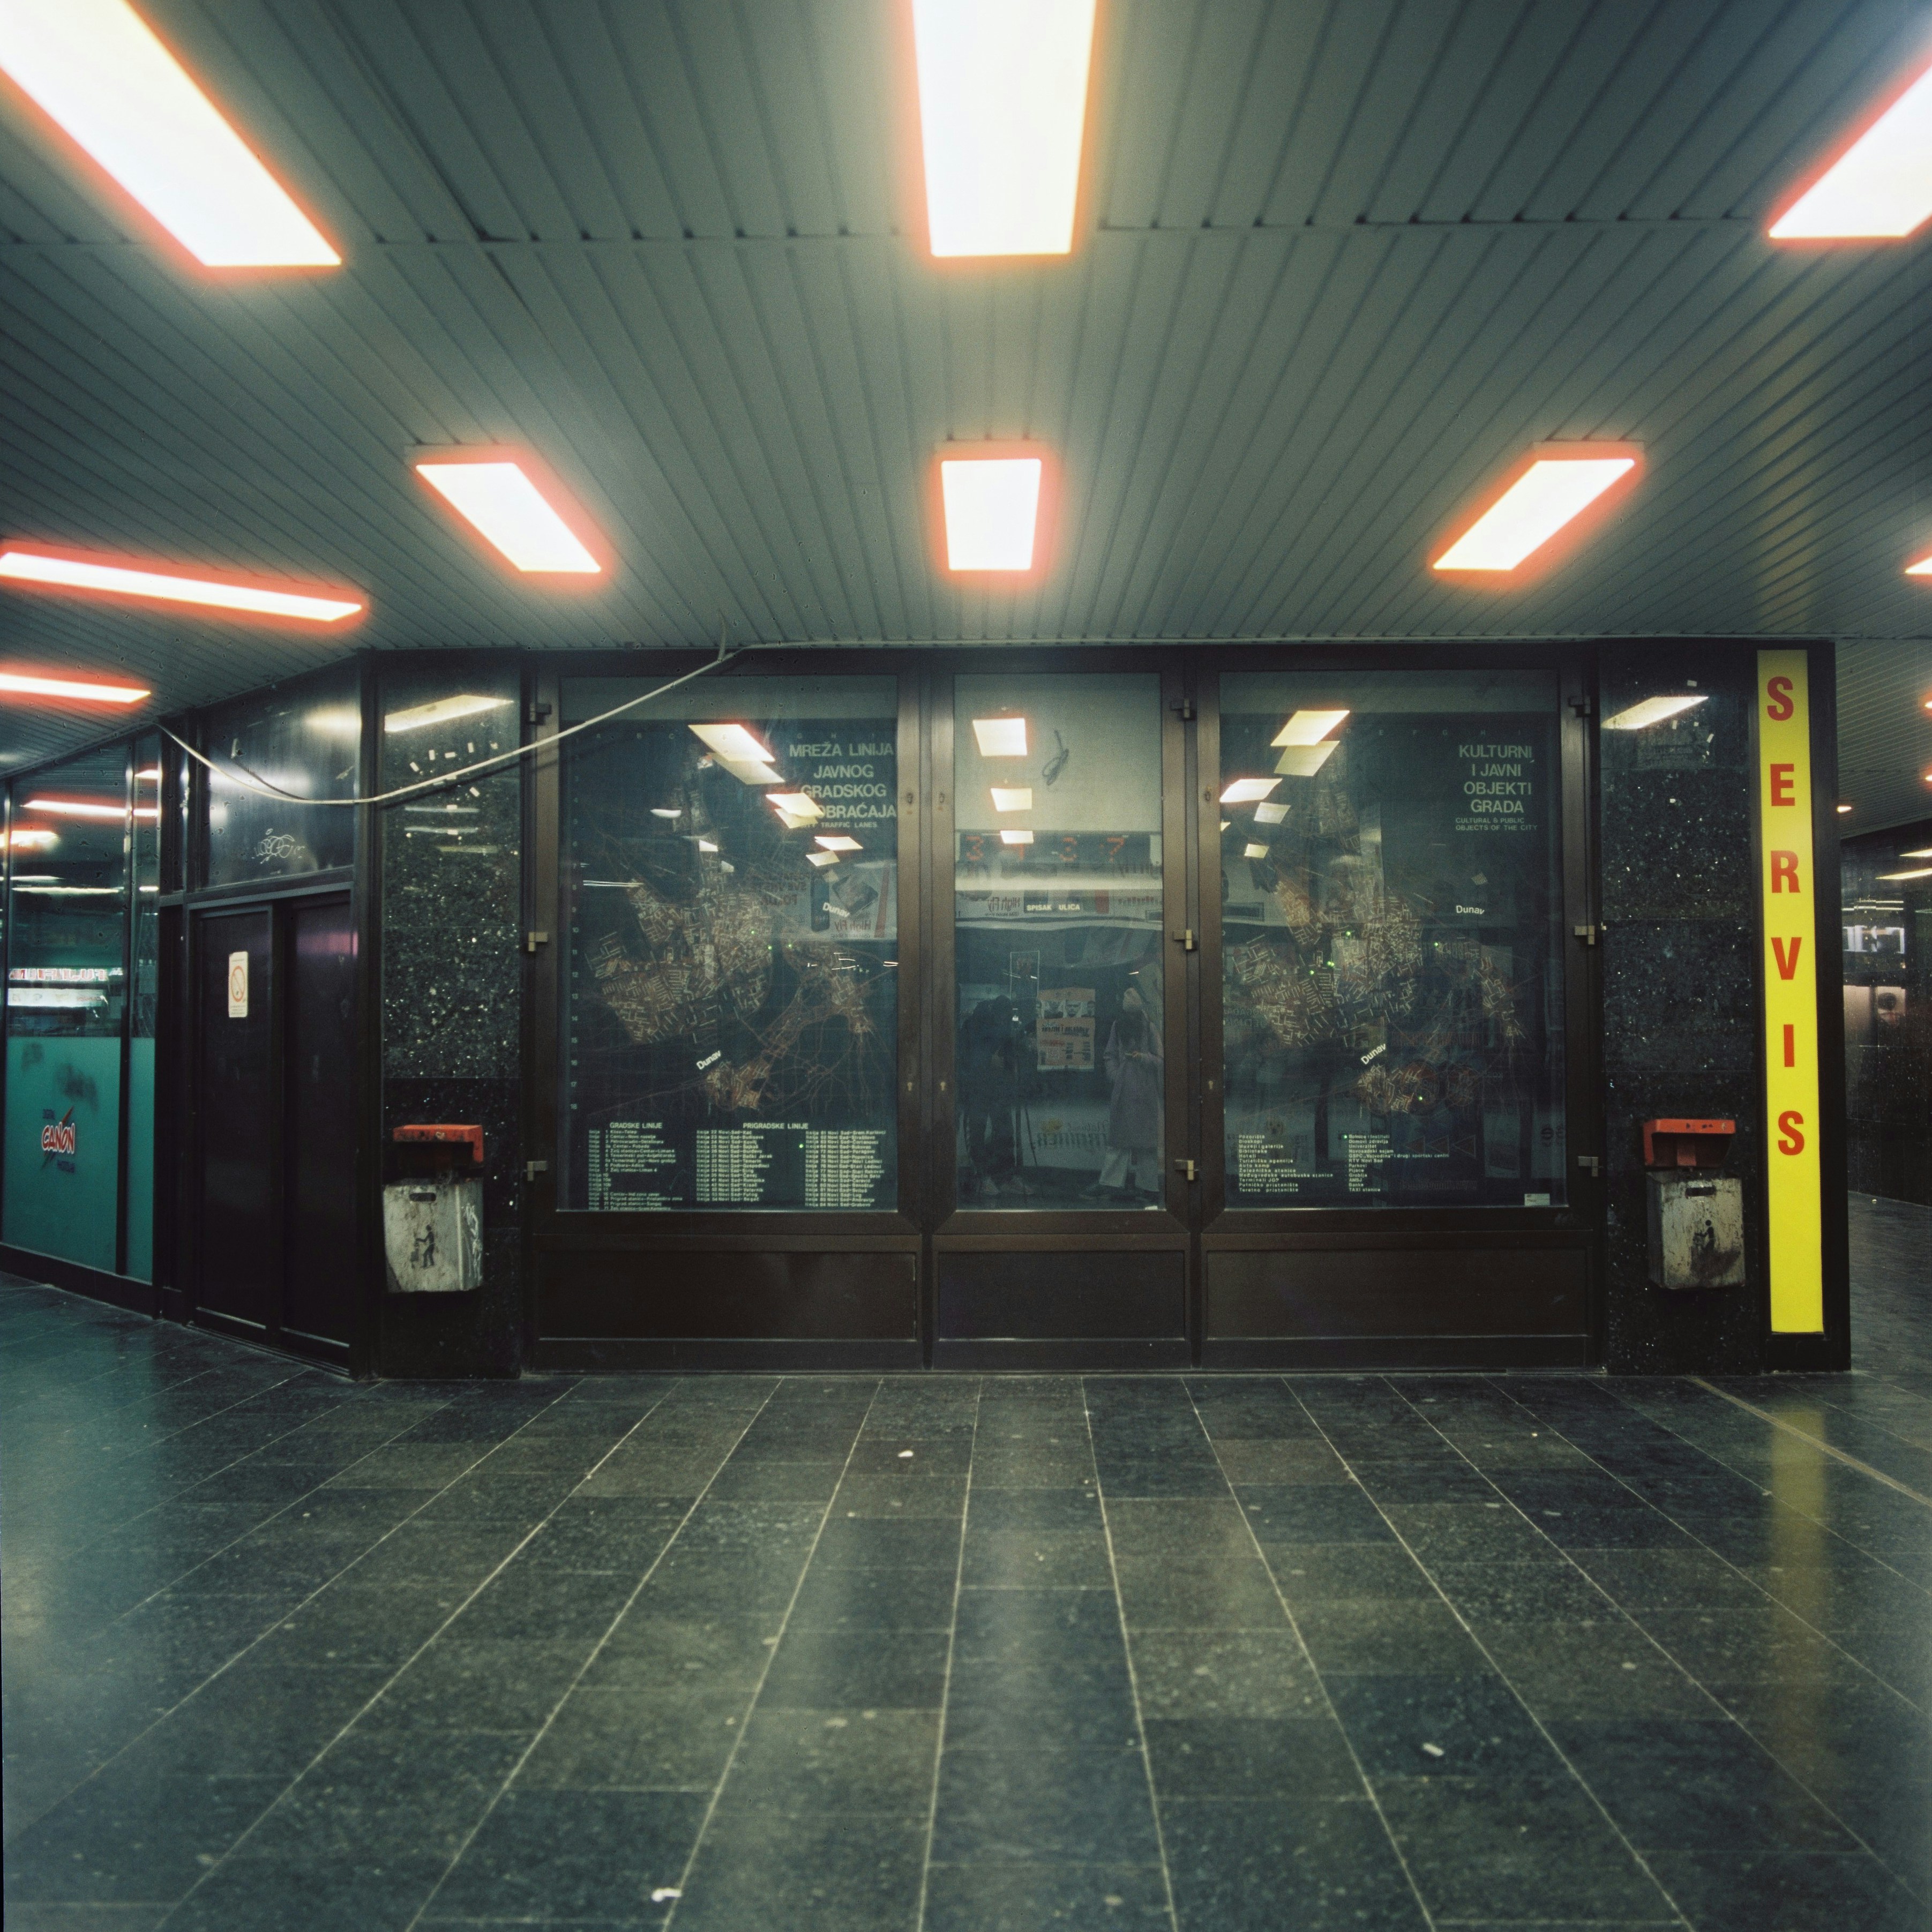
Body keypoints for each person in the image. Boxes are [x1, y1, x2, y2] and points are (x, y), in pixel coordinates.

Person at [1090, 983, 1162, 1199]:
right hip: (1124, 1090)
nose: (1130, 1018)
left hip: (1145, 1092)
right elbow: (1109, 1055)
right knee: (1119, 1140)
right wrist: (1117, 1075)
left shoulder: (1149, 1028)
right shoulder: (1118, 1026)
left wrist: (1143, 1058)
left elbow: (1161, 1059)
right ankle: (1114, 1184)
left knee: (1146, 1143)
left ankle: (1147, 1186)